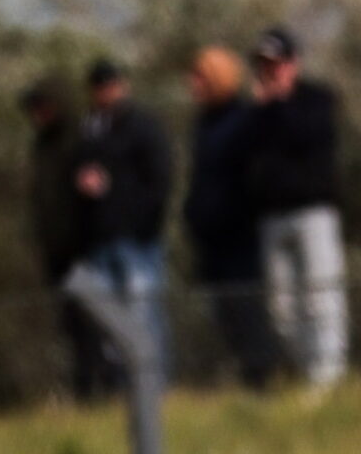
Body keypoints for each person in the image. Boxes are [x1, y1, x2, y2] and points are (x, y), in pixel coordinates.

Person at [246, 27, 347, 389]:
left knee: (321, 298)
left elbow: (309, 137)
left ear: (294, 63)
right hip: (272, 219)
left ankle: (328, 380)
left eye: (277, 64)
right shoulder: (257, 112)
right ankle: (309, 376)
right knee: (282, 311)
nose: (270, 71)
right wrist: (264, 109)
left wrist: (279, 103)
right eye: (264, 65)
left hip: (313, 214)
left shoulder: (316, 100)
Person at [183, 46, 280, 390]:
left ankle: (261, 381)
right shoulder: (204, 124)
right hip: (212, 238)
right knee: (224, 315)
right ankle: (248, 378)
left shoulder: (242, 119)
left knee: (247, 310)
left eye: (197, 76)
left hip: (239, 236)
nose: (191, 83)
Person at [73, 59, 175, 383]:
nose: (105, 91)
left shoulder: (142, 125)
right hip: (100, 241)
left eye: (110, 83)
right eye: (99, 85)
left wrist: (145, 224)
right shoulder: (89, 129)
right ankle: (122, 389)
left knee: (143, 314)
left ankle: (153, 387)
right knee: (110, 322)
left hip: (137, 241)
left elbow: (160, 180)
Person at [18, 78, 108, 398]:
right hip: (56, 252)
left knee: (97, 322)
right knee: (70, 326)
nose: (38, 113)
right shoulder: (41, 145)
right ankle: (84, 389)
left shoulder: (78, 139)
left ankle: (105, 386)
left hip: (82, 249)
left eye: (43, 106)